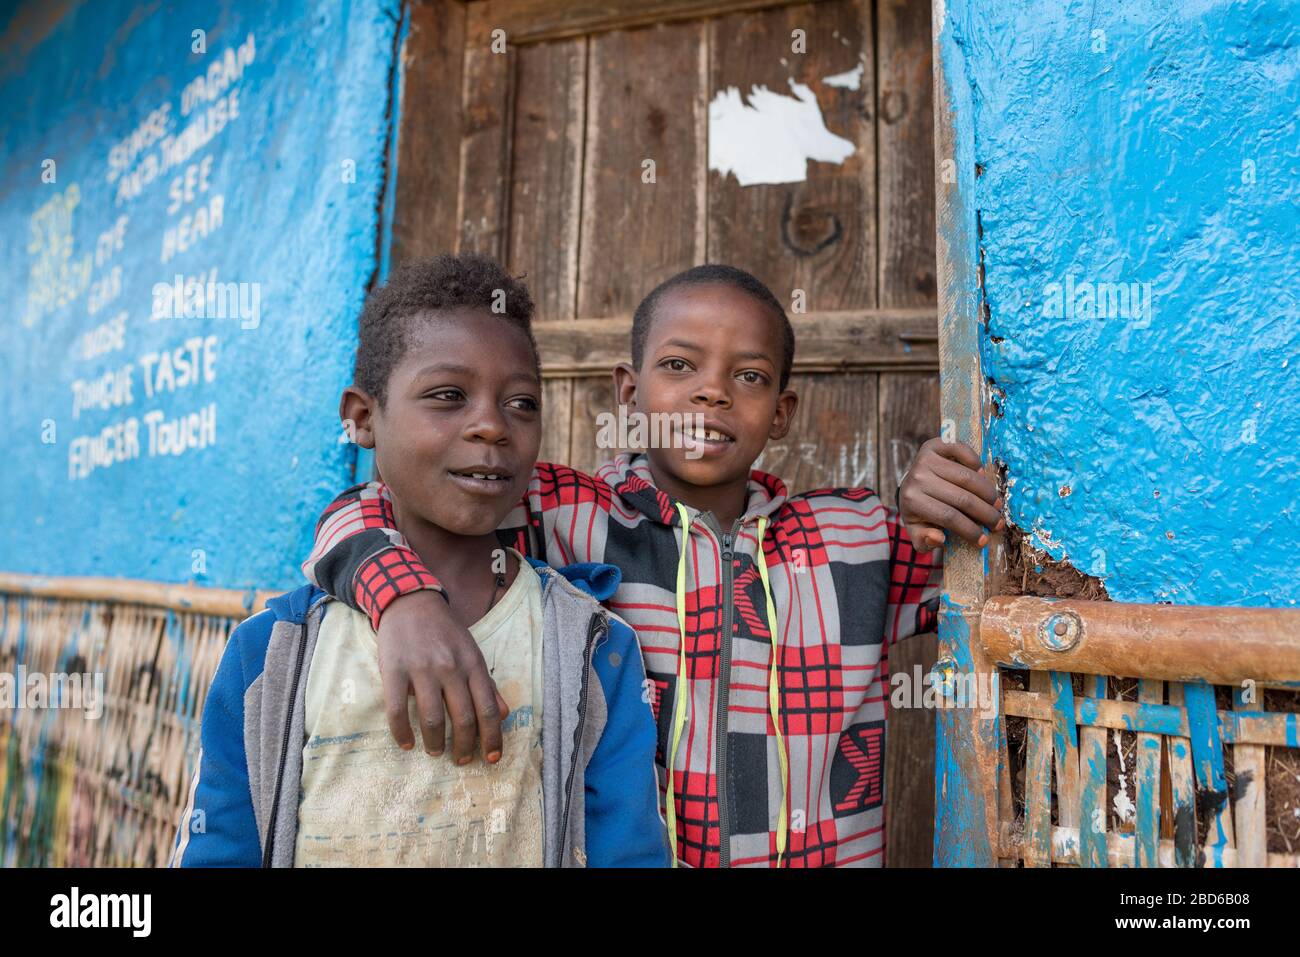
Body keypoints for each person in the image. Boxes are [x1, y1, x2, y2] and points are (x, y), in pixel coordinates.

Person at [301, 263, 1003, 867]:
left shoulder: (854, 538)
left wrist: (936, 502)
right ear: (629, 394)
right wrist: (402, 599)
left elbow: (977, 585)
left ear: (781, 412)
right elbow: (378, 504)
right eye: (678, 365)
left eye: (750, 375)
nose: (712, 391)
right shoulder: (568, 513)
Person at [171, 254, 669, 868]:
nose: (491, 425)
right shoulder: (274, 655)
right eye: (448, 395)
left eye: (521, 404)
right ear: (362, 418)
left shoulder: (589, 646)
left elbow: (629, 851)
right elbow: (220, 848)